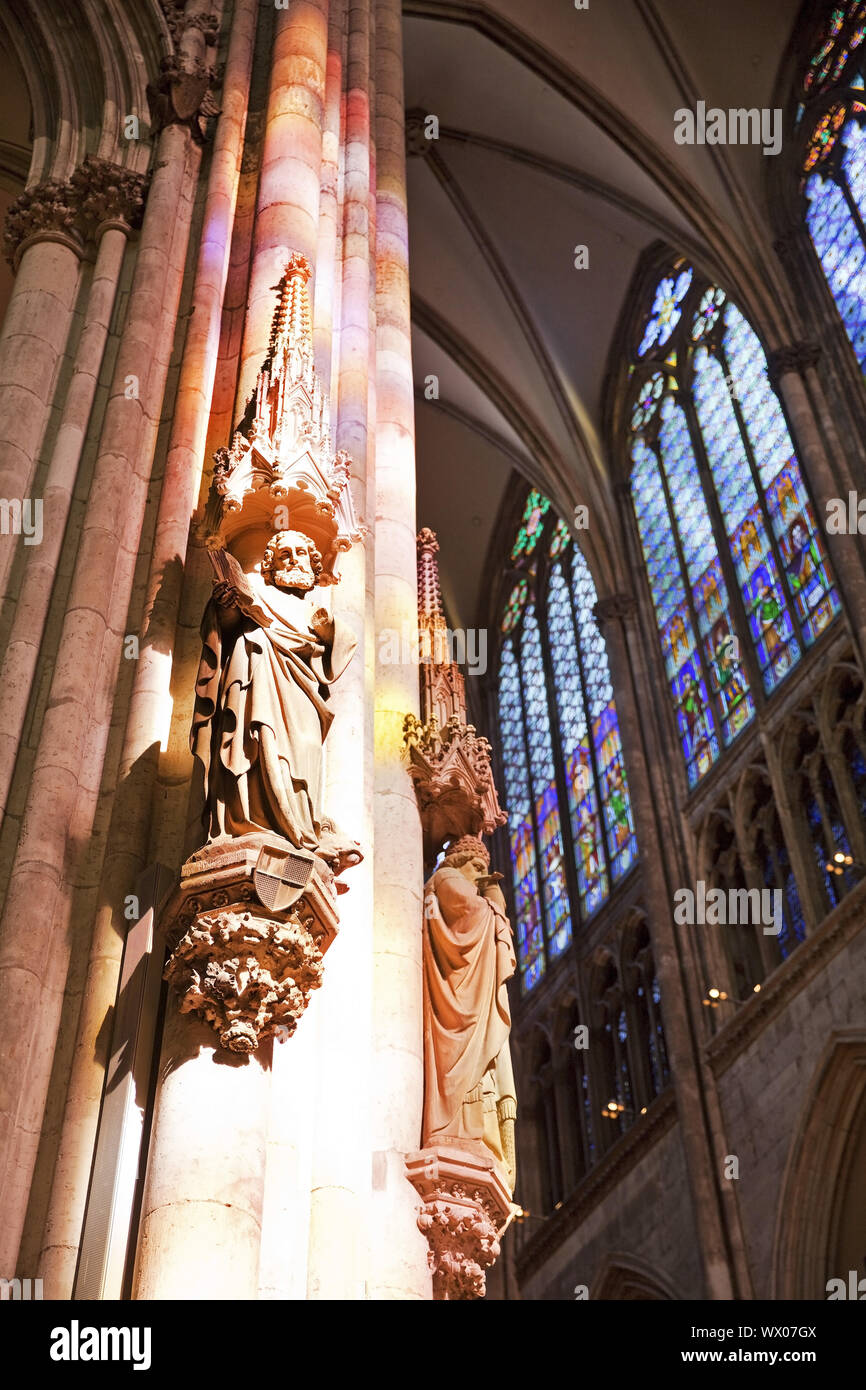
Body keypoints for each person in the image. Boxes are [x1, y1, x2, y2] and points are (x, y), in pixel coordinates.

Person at [190, 529, 357, 860]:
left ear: (313, 566)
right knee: (256, 743)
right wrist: (225, 608)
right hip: (257, 682)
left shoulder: (315, 611)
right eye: (285, 555)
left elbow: (342, 648)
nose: (294, 560)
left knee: (305, 752)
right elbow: (222, 630)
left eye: (300, 555)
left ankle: (302, 831)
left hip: (302, 696)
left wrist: (327, 630)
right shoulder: (257, 595)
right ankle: (249, 824)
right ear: (269, 567)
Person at [422, 835, 517, 1191]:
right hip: (458, 1006)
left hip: (468, 1001)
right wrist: (494, 903)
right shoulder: (446, 880)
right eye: (476, 867)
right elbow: (471, 913)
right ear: (457, 861)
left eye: (482, 869)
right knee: (463, 1073)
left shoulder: (457, 883)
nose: (480, 876)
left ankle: (475, 1135)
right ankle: (457, 1129)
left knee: (480, 1071)